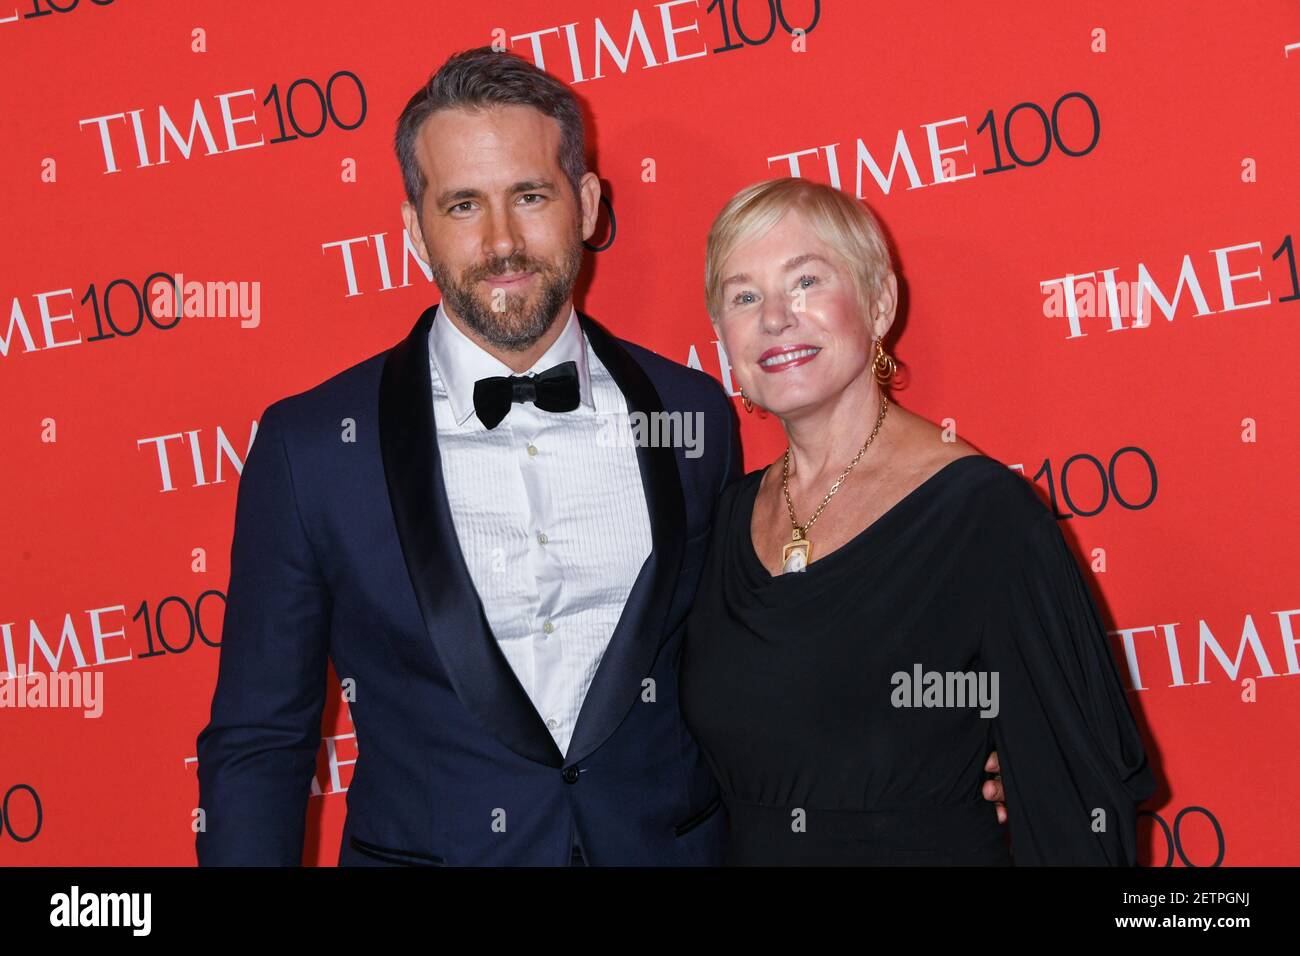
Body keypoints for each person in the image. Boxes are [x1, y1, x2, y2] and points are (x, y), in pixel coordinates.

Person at [194, 48, 1005, 867]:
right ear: (414, 230)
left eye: (531, 195)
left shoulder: (691, 416)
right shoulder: (312, 449)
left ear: (583, 203)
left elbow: (763, 655)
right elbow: (260, 739)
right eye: (464, 205)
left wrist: (940, 744)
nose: (502, 240)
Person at [680, 177, 1156, 865]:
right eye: (744, 295)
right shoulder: (725, 519)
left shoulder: (985, 518)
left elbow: (1076, 807)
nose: (775, 317)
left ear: (878, 305)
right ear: (723, 335)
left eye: (806, 281)